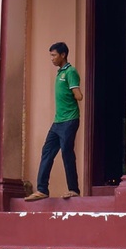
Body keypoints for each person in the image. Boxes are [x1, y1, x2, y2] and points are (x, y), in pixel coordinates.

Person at [26, 42, 82, 202]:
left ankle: (73, 189)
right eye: (51, 55)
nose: (51, 58)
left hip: (70, 120)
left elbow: (79, 95)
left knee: (66, 153)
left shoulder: (70, 72)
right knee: (47, 152)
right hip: (57, 122)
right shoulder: (59, 73)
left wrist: (76, 93)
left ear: (63, 55)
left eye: (54, 55)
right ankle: (42, 189)